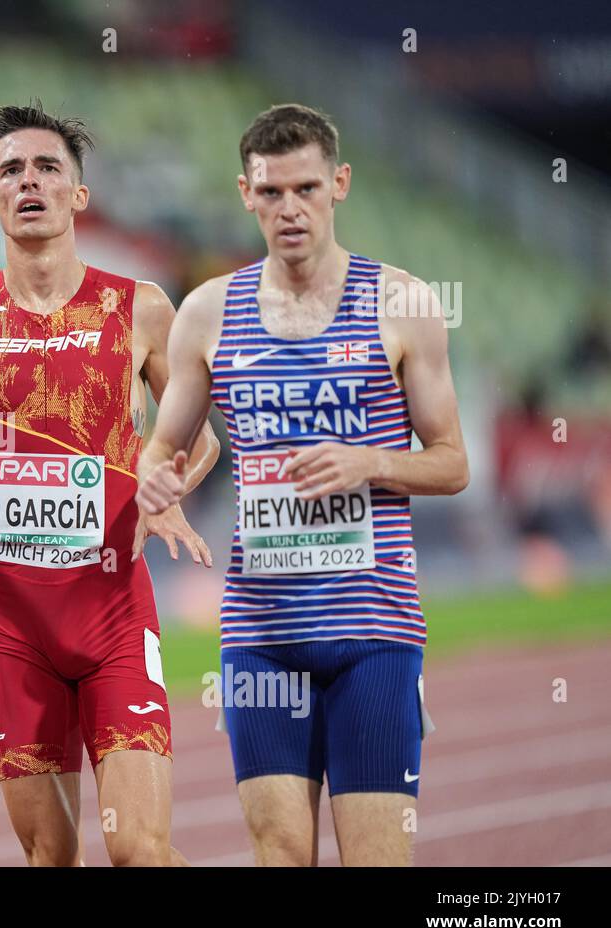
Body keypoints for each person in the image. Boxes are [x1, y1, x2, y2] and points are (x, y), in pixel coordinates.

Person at [0, 102, 219, 866]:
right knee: (50, 858)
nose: (30, 182)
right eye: (11, 172)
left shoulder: (142, 310)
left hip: (116, 614)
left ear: (79, 195)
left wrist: (167, 481)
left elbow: (203, 435)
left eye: (48, 168)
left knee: (141, 855)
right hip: (15, 632)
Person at [136, 104, 470, 866]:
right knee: (281, 853)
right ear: (246, 195)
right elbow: (163, 443)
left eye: (307, 189)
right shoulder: (207, 313)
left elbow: (452, 461)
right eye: (272, 192)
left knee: (378, 859)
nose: (290, 209)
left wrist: (371, 461)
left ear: (340, 185)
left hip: (375, 637)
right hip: (260, 637)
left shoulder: (403, 303)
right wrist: (158, 485)